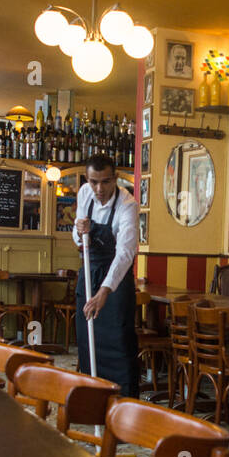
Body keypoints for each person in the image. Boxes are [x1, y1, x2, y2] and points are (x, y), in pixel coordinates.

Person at [72, 153, 141, 397]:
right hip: (89, 272)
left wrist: (105, 290)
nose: (99, 189)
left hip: (116, 280)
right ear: (87, 180)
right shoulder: (84, 193)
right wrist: (79, 232)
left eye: (105, 182)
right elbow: (76, 236)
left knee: (120, 342)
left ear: (116, 179)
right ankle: (93, 401)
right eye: (94, 182)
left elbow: (125, 254)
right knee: (87, 342)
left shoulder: (127, 205)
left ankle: (125, 408)